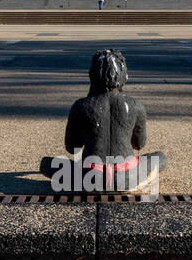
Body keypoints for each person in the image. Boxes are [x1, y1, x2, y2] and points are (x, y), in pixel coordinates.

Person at [39, 49, 166, 193]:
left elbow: (72, 146)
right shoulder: (135, 105)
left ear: (91, 75)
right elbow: (139, 144)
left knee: (46, 163)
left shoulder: (81, 105)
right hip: (126, 174)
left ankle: (86, 183)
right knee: (160, 157)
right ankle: (133, 182)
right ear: (124, 76)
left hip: (89, 176)